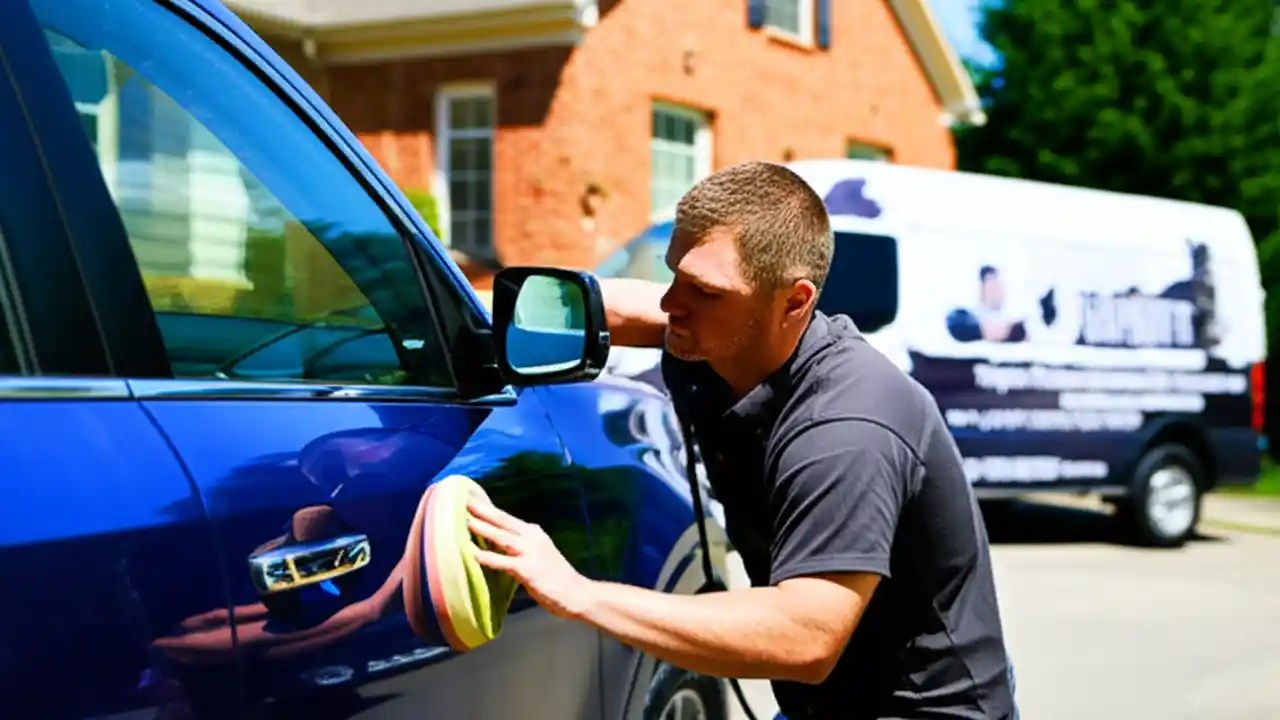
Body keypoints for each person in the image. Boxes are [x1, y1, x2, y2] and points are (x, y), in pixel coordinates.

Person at [466, 161, 1018, 719]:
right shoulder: (728, 335)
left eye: (703, 290)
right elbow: (610, 306)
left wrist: (579, 593)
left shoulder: (847, 427)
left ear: (795, 302)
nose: (670, 304)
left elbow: (805, 637)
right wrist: (439, 309)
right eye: (675, 275)